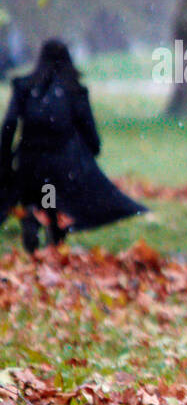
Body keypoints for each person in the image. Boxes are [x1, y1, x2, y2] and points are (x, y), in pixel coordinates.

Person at [1, 39, 146, 252]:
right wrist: (90, 151)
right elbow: (88, 128)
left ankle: (33, 216)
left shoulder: (25, 86)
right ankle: (51, 230)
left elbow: (10, 122)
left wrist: (5, 156)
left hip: (29, 158)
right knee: (50, 196)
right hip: (60, 161)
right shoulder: (72, 90)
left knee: (34, 193)